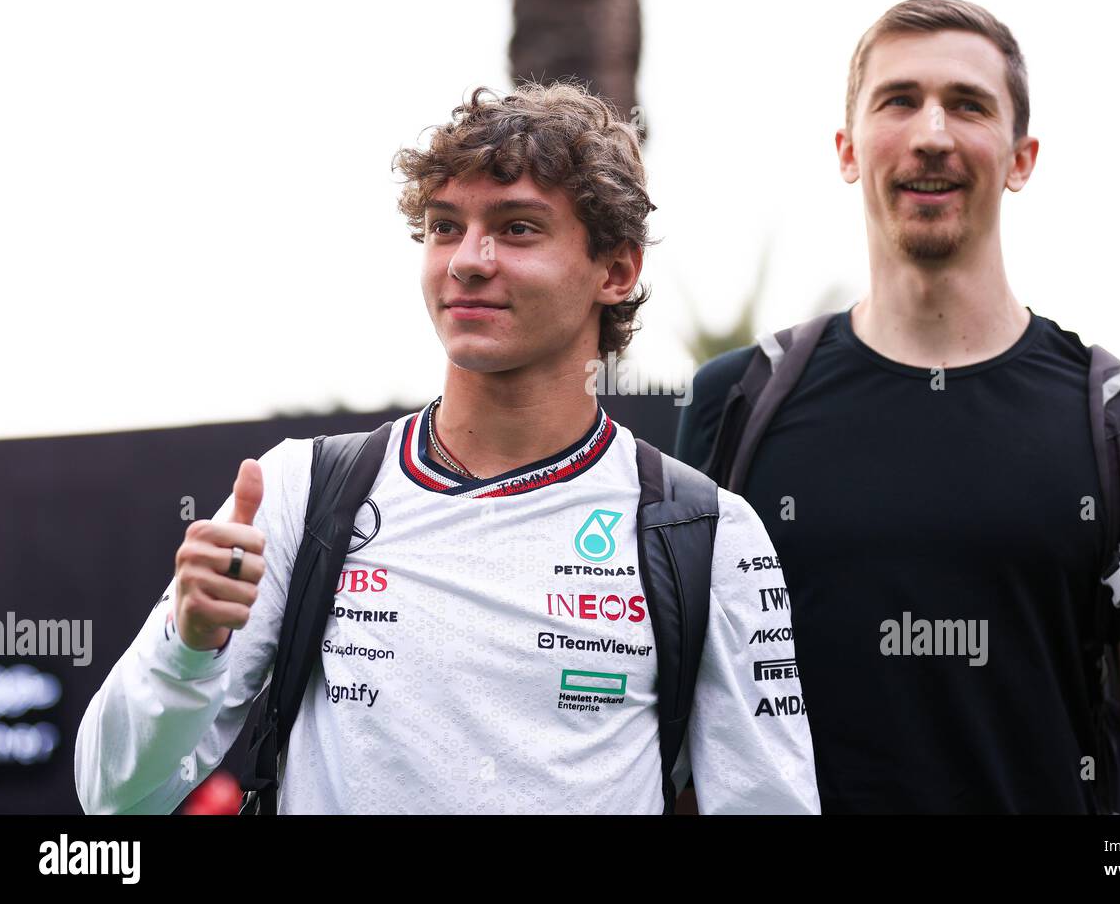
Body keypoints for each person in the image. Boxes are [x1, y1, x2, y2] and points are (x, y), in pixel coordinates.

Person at [75, 83, 820, 815]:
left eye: (519, 227)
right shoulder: (301, 490)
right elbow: (114, 798)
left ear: (616, 270)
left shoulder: (707, 532)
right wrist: (188, 645)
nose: (468, 259)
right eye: (442, 226)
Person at [675, 0, 1120, 814]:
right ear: (848, 150)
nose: (933, 135)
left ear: (1021, 158)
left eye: (969, 105)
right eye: (899, 100)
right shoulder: (739, 403)